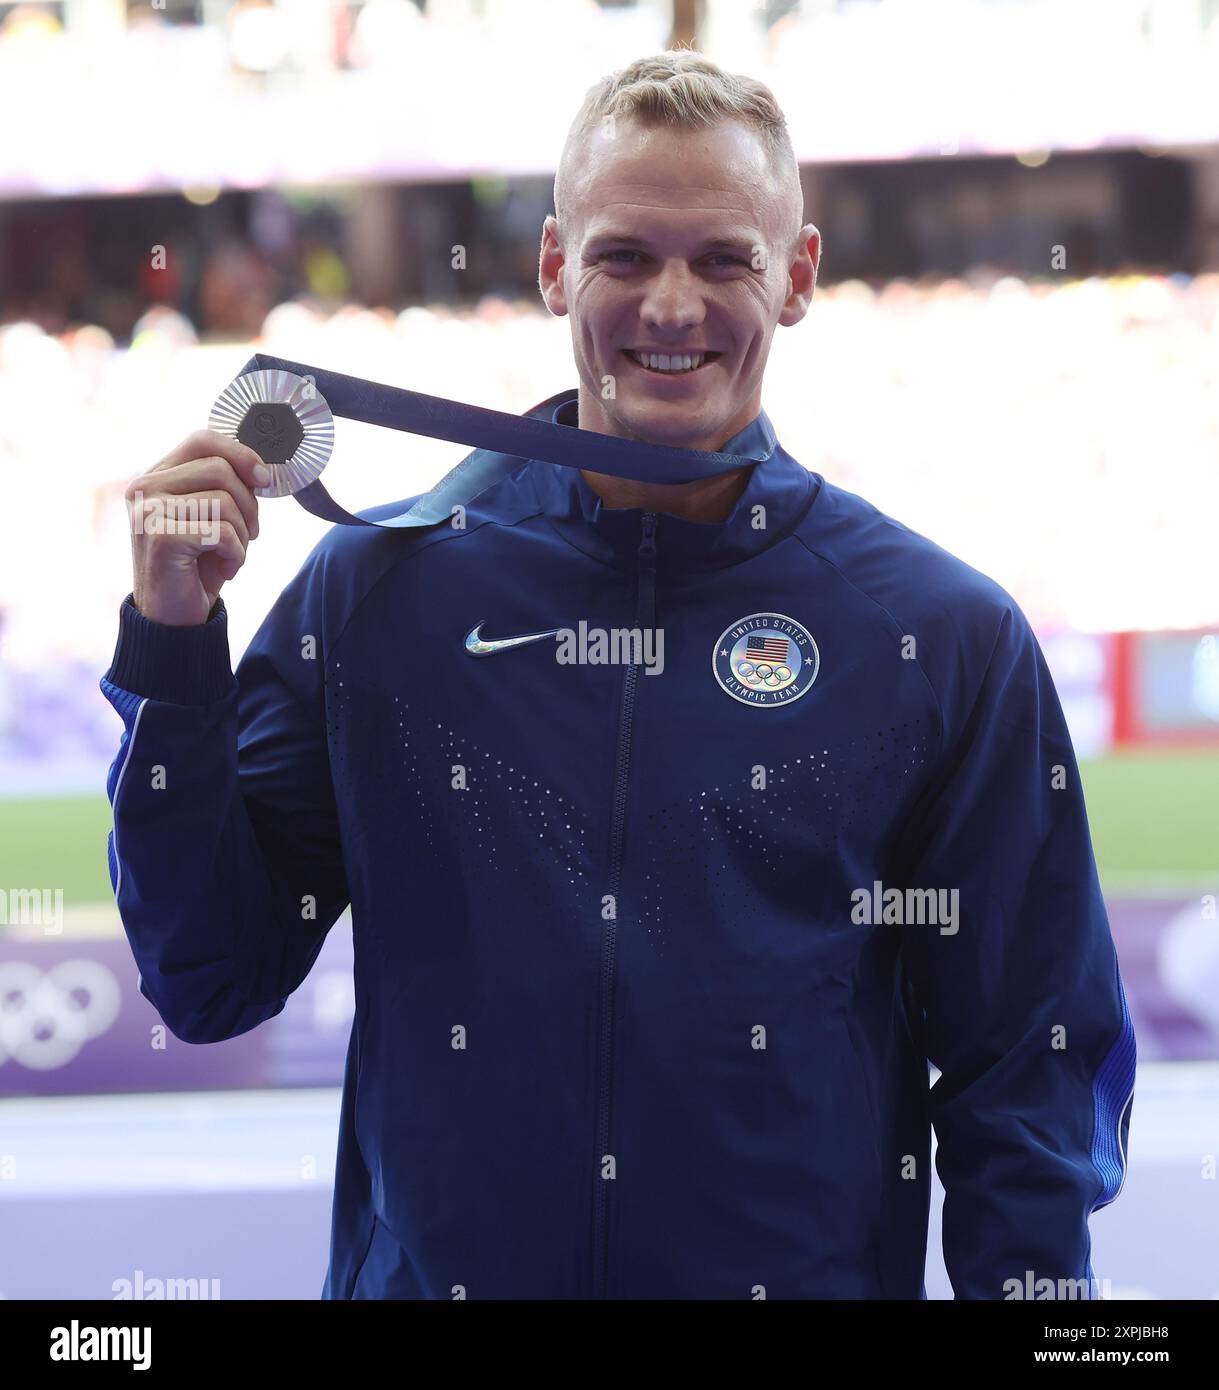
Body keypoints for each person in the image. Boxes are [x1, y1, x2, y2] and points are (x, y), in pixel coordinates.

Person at [101, 51, 1134, 1300]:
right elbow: (209, 978)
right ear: (552, 267)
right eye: (625, 257)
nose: (671, 307)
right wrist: (171, 650)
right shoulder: (377, 594)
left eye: (723, 260)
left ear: (796, 276)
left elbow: (1025, 1058)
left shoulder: (937, 633)